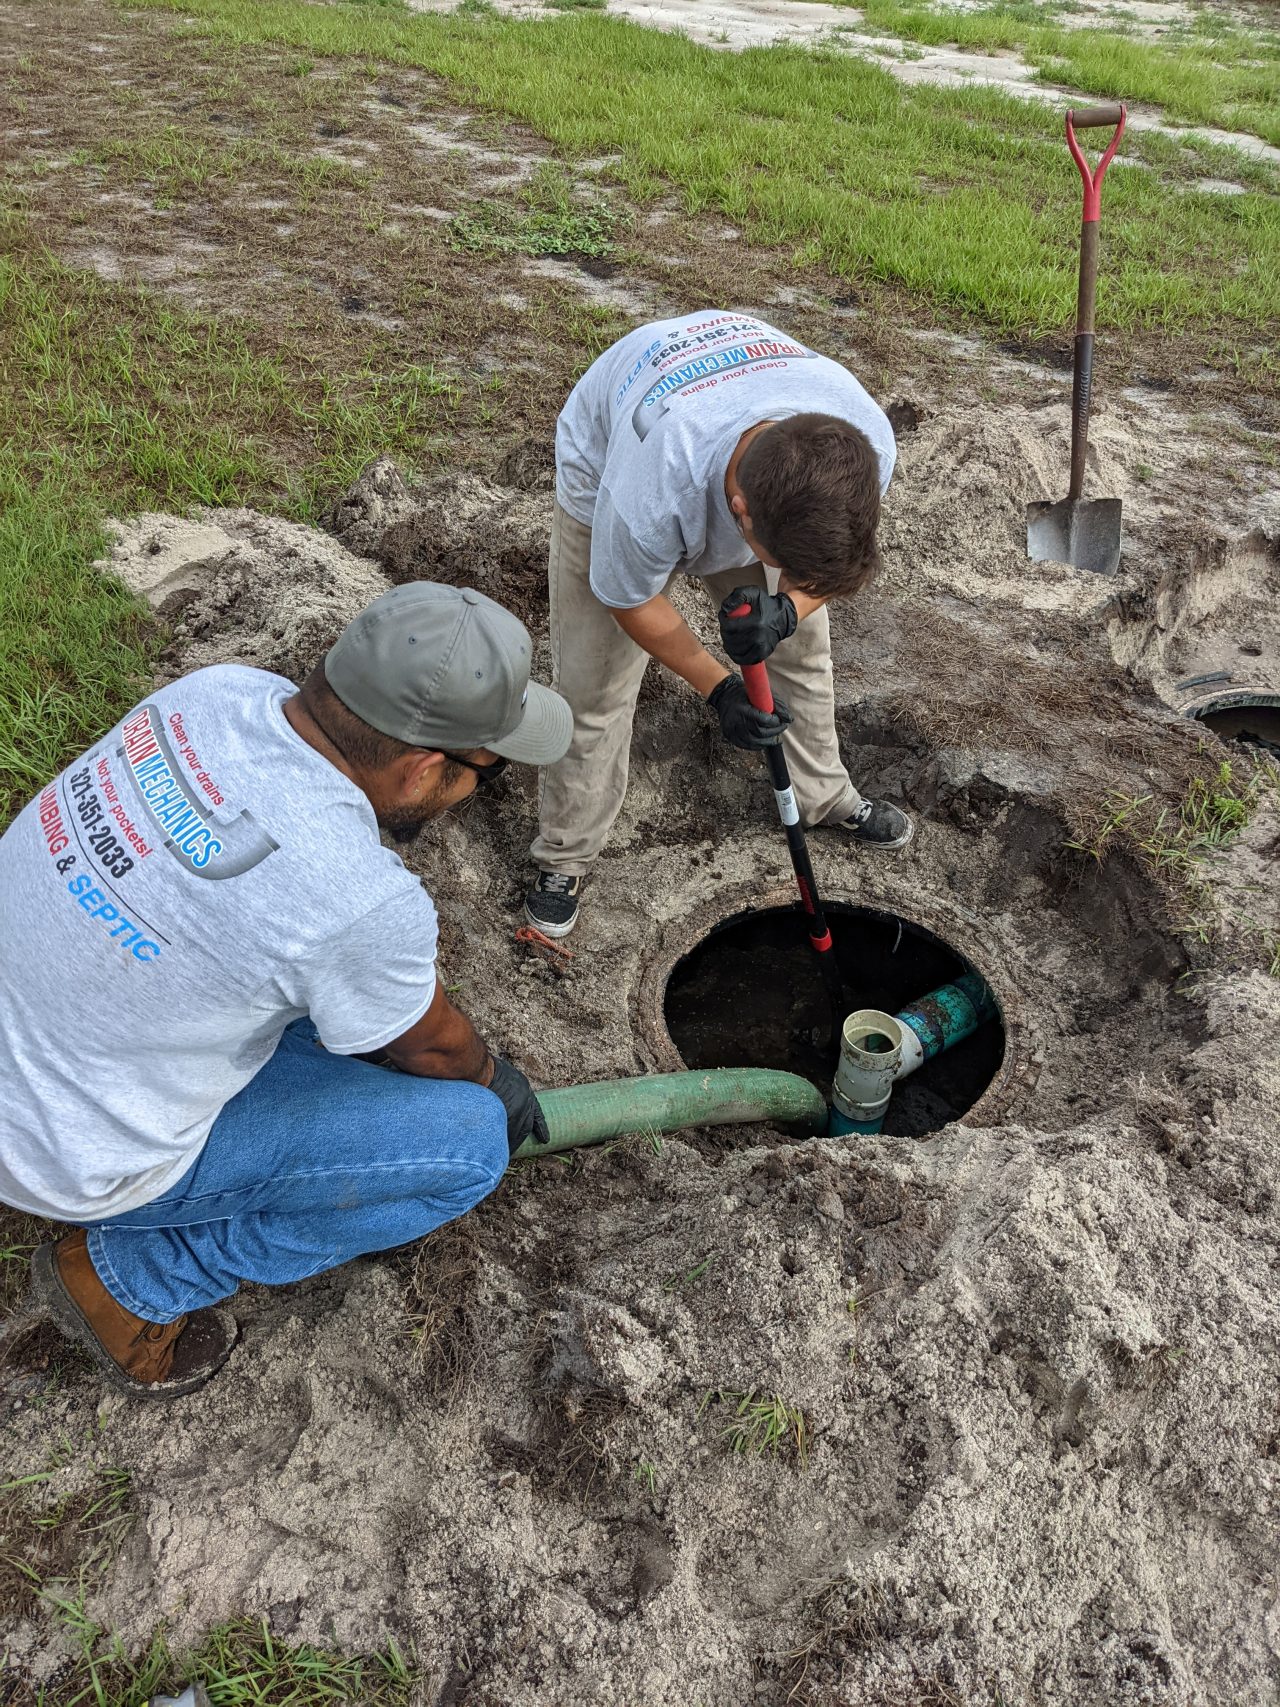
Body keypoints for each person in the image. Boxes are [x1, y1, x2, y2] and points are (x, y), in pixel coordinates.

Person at [0, 583, 572, 1398]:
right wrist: (495, 1080)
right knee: (468, 1145)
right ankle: (134, 1274)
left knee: (326, 1004)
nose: (484, 786)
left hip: (33, 1033)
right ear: (422, 770)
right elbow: (431, 1045)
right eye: (488, 767)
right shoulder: (358, 897)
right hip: (62, 1150)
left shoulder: (216, 692)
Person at [524, 308, 911, 941]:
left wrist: (786, 610)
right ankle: (565, 856)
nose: (783, 579)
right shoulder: (647, 496)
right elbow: (630, 601)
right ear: (740, 516)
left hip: (730, 419)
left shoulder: (862, 440)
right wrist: (720, 686)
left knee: (803, 656)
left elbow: (834, 564)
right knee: (595, 690)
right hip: (613, 460)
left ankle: (824, 796)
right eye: (782, 569)